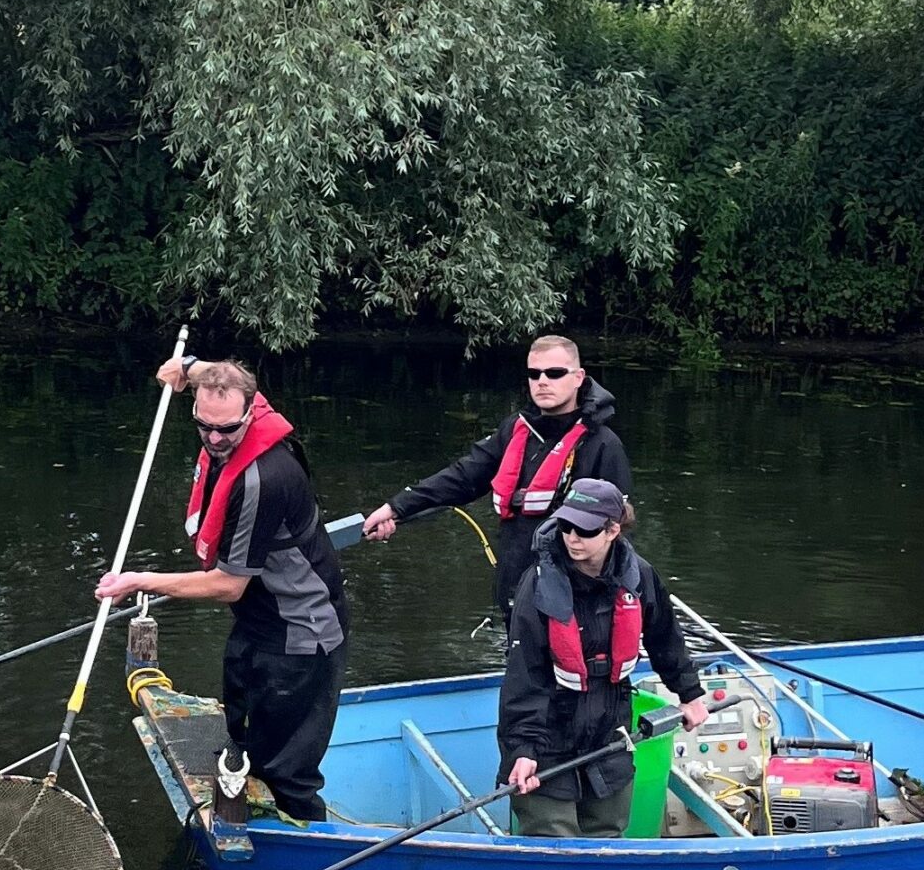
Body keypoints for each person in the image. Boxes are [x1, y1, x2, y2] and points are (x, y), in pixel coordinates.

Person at [96, 355, 347, 822]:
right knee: (239, 728)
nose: (214, 441)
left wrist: (137, 580)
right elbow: (205, 372)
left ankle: (305, 847)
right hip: (259, 620)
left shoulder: (262, 479)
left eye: (226, 431)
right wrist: (185, 365)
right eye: (204, 428)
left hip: (300, 633)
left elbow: (229, 585)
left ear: (251, 414)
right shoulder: (232, 407)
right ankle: (246, 807)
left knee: (285, 768)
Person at [361, 334, 631, 619]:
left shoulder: (604, 445)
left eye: (554, 373)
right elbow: (463, 477)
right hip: (517, 591)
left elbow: (618, 531)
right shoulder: (515, 429)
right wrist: (396, 507)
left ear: (578, 377)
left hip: (575, 602)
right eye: (534, 373)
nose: (542, 381)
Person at [497, 479, 708, 838]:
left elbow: (664, 636)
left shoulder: (639, 575)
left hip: (610, 734)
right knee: (552, 844)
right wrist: (522, 749)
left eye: (585, 529)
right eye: (565, 526)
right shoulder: (538, 586)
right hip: (549, 740)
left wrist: (689, 694)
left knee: (607, 839)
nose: (572, 537)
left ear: (612, 530)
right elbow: (524, 676)